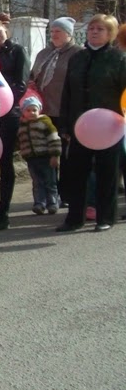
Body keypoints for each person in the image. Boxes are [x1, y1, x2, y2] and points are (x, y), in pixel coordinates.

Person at [57, 14, 126, 233]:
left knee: (107, 173)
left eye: (100, 29)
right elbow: (67, 92)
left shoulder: (119, 59)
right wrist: (65, 125)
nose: (94, 32)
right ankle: (74, 219)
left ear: (110, 34)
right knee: (77, 172)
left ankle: (105, 217)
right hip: (81, 126)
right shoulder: (78, 57)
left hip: (109, 126)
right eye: (91, 28)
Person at [28, 17, 80, 204]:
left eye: (58, 31)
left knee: (64, 154)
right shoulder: (44, 53)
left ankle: (66, 193)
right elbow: (33, 75)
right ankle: (50, 193)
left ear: (69, 33)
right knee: (46, 154)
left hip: (65, 111)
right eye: (52, 31)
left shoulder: (77, 53)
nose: (54, 34)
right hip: (44, 111)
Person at [0, 17, 27, 230]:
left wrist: (5, 103)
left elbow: (21, 84)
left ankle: (4, 212)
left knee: (5, 161)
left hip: (9, 113)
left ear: (5, 30)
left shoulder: (17, 51)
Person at [17, 95, 61, 215]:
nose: (31, 113)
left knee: (50, 181)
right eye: (28, 110)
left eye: (34, 110)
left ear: (39, 110)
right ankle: (39, 203)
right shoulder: (22, 126)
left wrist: (55, 155)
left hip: (46, 157)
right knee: (37, 182)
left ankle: (53, 203)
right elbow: (20, 141)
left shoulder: (45, 122)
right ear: (23, 112)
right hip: (31, 159)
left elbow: (54, 139)